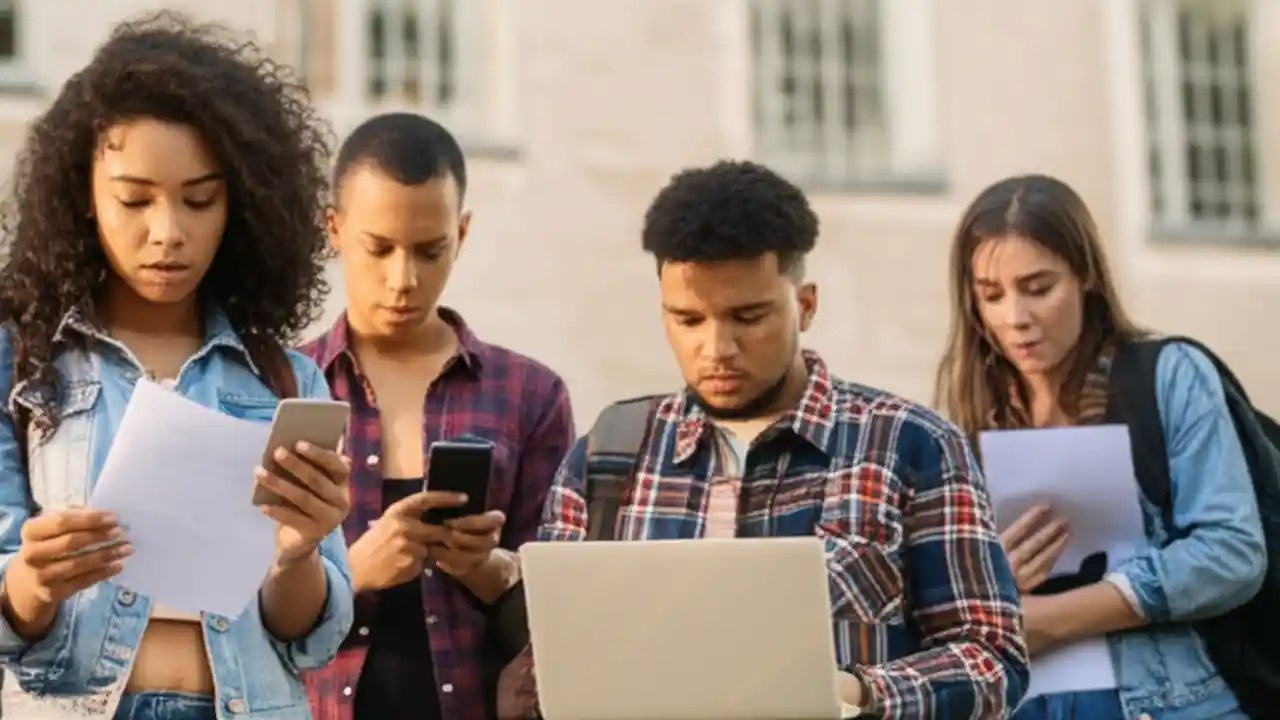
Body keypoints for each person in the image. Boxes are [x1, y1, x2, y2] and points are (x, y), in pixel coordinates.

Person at [501, 160, 1029, 719]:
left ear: (805, 305)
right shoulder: (609, 455)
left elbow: (992, 661)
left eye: (748, 317)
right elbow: (561, 661)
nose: (717, 347)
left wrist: (852, 691)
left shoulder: (912, 447)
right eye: (687, 320)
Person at [0, 12, 355, 720]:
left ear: (243, 202)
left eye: (200, 200)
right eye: (134, 200)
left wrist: (296, 553)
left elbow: (307, 636)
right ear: (84, 198)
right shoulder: (22, 366)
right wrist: (32, 583)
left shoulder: (285, 381)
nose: (168, 233)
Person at [934, 174, 1265, 719]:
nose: (1015, 318)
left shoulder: (1167, 376)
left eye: (1038, 288)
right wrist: (991, 588)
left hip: (1171, 703)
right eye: (991, 295)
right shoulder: (965, 417)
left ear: (1085, 274)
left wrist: (1049, 619)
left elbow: (1232, 551)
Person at [298, 112, 574, 720]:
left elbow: (568, 615)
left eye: (430, 250)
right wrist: (352, 573)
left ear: (463, 233)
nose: (404, 279)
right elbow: (233, 609)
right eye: (380, 249)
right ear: (334, 230)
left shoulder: (528, 394)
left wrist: (487, 569)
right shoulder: (284, 386)